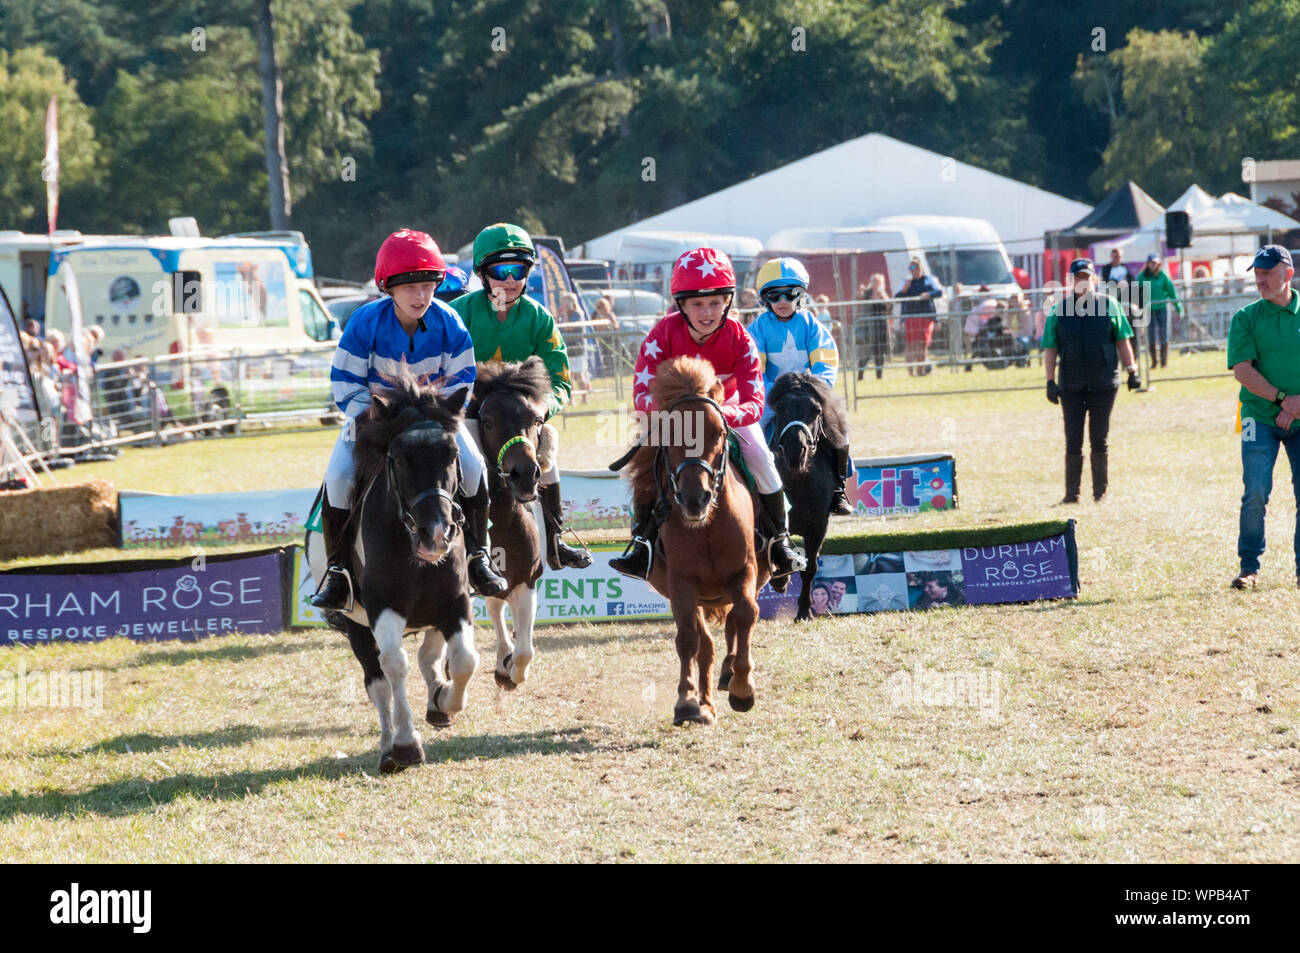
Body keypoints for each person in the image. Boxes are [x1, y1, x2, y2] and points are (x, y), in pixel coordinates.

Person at [313, 228, 507, 610]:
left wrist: (439, 419)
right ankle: (338, 571)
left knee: (474, 468)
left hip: (436, 424)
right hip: (375, 422)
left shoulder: (450, 322)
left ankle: (478, 556)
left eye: (428, 286)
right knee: (338, 478)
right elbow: (345, 384)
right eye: (410, 287)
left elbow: (463, 381)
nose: (421, 296)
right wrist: (377, 420)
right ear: (388, 287)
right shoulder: (364, 322)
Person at [608, 246, 805, 584]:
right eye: (697, 304)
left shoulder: (740, 337)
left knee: (761, 458)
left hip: (726, 415)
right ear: (681, 305)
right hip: (673, 420)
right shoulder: (661, 335)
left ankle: (780, 543)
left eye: (716, 302)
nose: (707, 312)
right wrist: (678, 416)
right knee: (644, 465)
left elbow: (755, 403)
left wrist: (715, 414)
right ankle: (641, 546)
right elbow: (641, 396)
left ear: (728, 302)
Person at [449, 223, 592, 572]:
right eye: (501, 271)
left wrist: (541, 409)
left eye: (520, 270)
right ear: (482, 274)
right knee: (466, 447)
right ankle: (467, 541)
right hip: (471, 412)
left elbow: (561, 382)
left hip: (522, 416)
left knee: (548, 445)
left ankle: (556, 540)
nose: (511, 280)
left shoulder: (540, 318)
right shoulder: (459, 313)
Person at [746, 256, 853, 515]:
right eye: (774, 295)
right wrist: (774, 391)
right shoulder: (757, 329)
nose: (783, 301)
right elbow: (754, 369)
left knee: (840, 429)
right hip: (772, 396)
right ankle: (750, 489)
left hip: (808, 395)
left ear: (801, 295)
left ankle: (837, 491)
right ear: (764, 299)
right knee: (751, 435)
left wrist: (813, 389)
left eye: (790, 293)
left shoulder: (811, 325)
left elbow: (826, 362)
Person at [1226, 245, 1300, 590]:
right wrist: (1284, 401)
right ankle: (1249, 568)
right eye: (1257, 273)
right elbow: (1242, 371)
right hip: (1258, 417)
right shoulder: (1245, 318)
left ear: (1289, 273)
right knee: (1255, 490)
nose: (1261, 280)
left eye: (1268, 272)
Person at [1042, 258, 1140, 503]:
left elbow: (1123, 340)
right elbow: (1050, 348)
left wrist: (1132, 370)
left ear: (1094, 279)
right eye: (1078, 277)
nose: (1082, 282)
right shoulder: (1058, 310)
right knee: (1073, 440)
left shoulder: (1109, 305)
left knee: (1099, 438)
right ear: (1071, 280)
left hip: (1103, 382)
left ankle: (1100, 493)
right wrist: (1050, 381)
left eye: (1086, 277)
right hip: (1071, 384)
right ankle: (1071, 494)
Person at [896, 258, 943, 375]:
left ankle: (920, 370)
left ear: (921, 268)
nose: (914, 270)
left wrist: (929, 294)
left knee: (922, 345)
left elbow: (939, 292)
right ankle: (911, 372)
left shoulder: (928, 280)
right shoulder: (906, 282)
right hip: (910, 317)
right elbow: (897, 298)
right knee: (910, 345)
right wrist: (904, 290)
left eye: (916, 267)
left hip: (925, 317)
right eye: (911, 267)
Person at [1135, 254, 1182, 369]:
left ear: (1159, 264)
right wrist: (1138, 309)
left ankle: (1164, 363)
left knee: (1163, 335)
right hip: (1148, 310)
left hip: (1161, 309)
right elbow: (1136, 294)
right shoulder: (1142, 277)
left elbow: (1171, 291)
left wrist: (1178, 307)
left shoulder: (1163, 275)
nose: (1153, 265)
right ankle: (1154, 362)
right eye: (1151, 263)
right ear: (1148, 264)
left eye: (1155, 263)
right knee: (1151, 336)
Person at [855, 274, 892, 381]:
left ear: (881, 283)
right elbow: (859, 298)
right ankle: (860, 376)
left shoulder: (883, 293)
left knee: (880, 352)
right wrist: (860, 291)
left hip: (881, 326)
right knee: (866, 352)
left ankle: (879, 376)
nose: (875, 283)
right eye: (874, 281)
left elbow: (890, 307)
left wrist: (883, 296)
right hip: (869, 326)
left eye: (877, 281)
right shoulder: (867, 292)